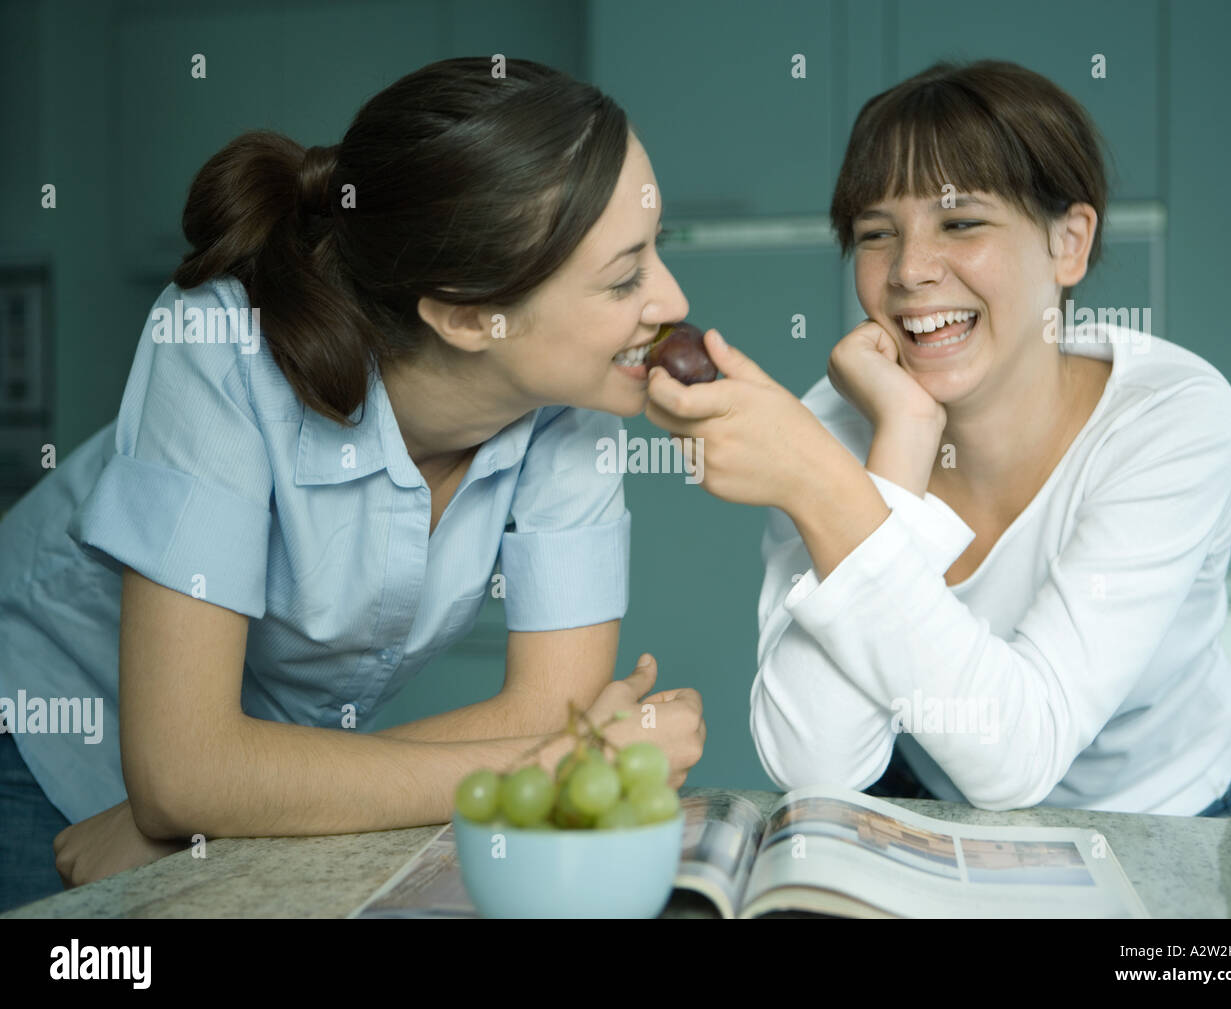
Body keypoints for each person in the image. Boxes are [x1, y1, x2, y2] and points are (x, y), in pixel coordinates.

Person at [0, 57, 706, 913]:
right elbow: (183, 765)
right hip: (36, 736)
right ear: (462, 314)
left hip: (227, 800)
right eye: (624, 276)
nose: (672, 299)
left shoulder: (574, 405)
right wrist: (197, 793)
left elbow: (546, 709)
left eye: (656, 248)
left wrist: (218, 810)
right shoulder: (220, 344)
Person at [643, 60, 1231, 818]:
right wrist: (895, 446)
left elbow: (1019, 754)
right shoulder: (836, 422)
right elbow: (814, 762)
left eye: (961, 223)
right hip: (930, 802)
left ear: (1070, 241)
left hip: (1161, 816)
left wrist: (826, 487)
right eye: (875, 234)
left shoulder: (1175, 420)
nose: (909, 271)